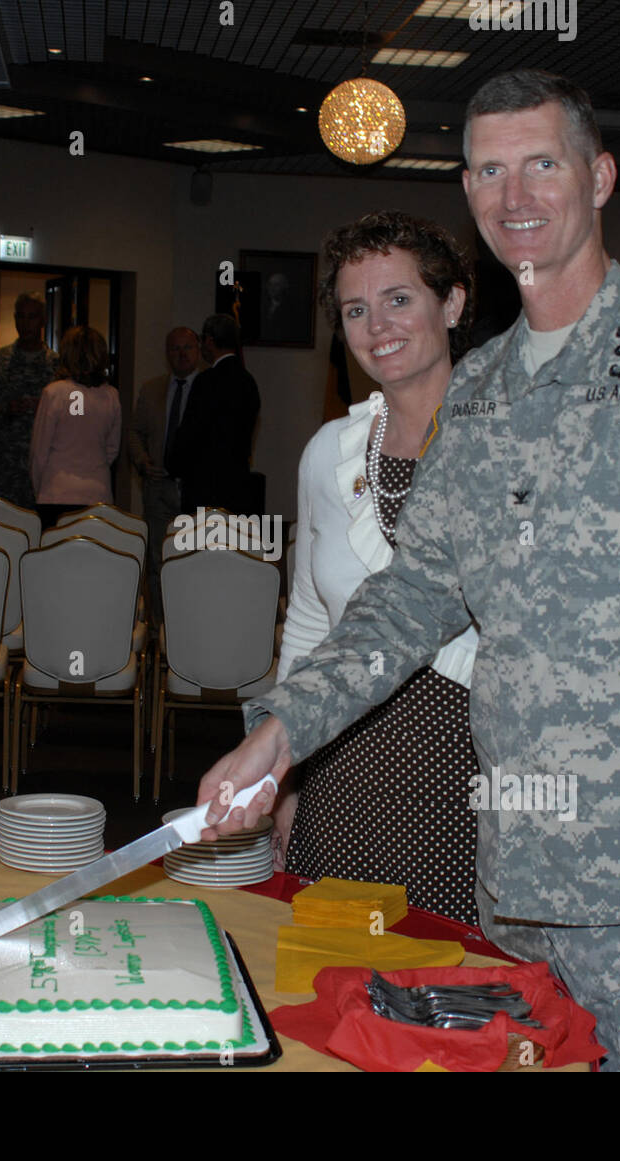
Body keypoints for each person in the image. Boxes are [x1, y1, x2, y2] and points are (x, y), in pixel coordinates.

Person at [197, 69, 620, 1072]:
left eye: (542, 162)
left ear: (600, 177)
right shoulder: (482, 390)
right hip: (512, 891)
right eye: (489, 170)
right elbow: (409, 600)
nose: (515, 194)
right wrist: (283, 732)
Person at [276, 211, 481, 919]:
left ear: (451, 303)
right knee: (335, 1005)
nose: (377, 325)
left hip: (472, 778)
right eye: (356, 309)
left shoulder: (507, 447)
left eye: (399, 299)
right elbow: (306, 619)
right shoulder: (328, 452)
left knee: (456, 1004)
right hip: (343, 777)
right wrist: (286, 773)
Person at [0, 293, 60, 508]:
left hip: (43, 471)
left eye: (33, 317)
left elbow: (76, 415)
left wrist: (47, 409)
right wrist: (5, 409)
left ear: (43, 320)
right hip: (2, 469)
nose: (26, 324)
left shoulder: (58, 366)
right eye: (21, 317)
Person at [29, 325, 121, 529]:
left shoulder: (54, 393)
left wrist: (39, 488)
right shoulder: (111, 395)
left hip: (56, 492)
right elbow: (112, 449)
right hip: (98, 492)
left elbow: (39, 452)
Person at [169, 314, 260, 515]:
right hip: (237, 488)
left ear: (209, 341)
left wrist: (173, 465)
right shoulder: (248, 382)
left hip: (204, 491)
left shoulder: (206, 381)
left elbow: (189, 434)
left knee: (201, 546)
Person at [129, 327, 199, 578]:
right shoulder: (151, 389)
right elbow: (135, 432)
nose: (181, 354)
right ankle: (158, 617)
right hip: (158, 489)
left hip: (193, 490)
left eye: (187, 348)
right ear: (166, 353)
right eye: (175, 348)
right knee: (158, 562)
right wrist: (142, 461)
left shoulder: (207, 389)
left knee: (192, 560)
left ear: (198, 351)